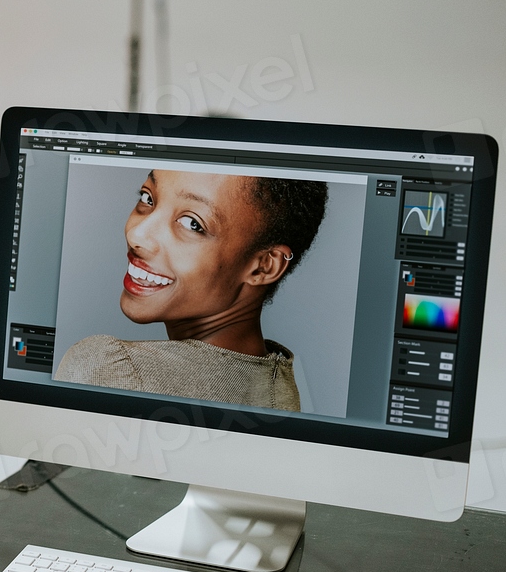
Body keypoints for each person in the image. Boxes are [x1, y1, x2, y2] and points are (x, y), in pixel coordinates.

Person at [54, 169, 327, 412]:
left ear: (263, 267)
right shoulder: (279, 396)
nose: (137, 235)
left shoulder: (112, 372)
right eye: (148, 198)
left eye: (192, 223)